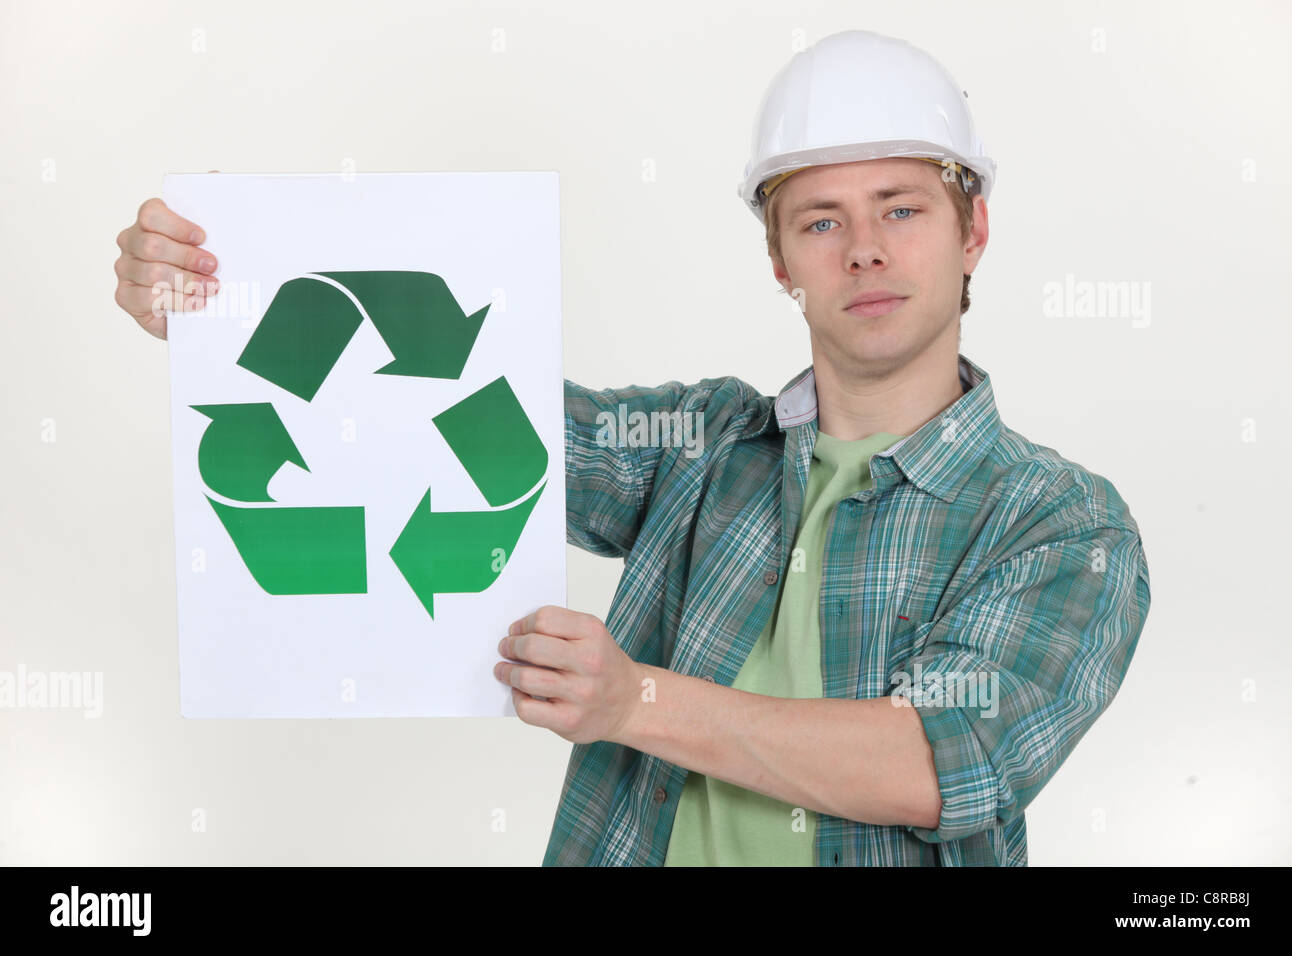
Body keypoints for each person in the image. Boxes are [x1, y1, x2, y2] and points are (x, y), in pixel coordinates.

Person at [113, 30, 1151, 866]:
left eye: (902, 209)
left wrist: (633, 698)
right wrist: (227, 306)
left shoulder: (1062, 520)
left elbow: (940, 759)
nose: (866, 248)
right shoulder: (701, 445)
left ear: (972, 233)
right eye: (820, 221)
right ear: (780, 260)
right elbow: (455, 411)